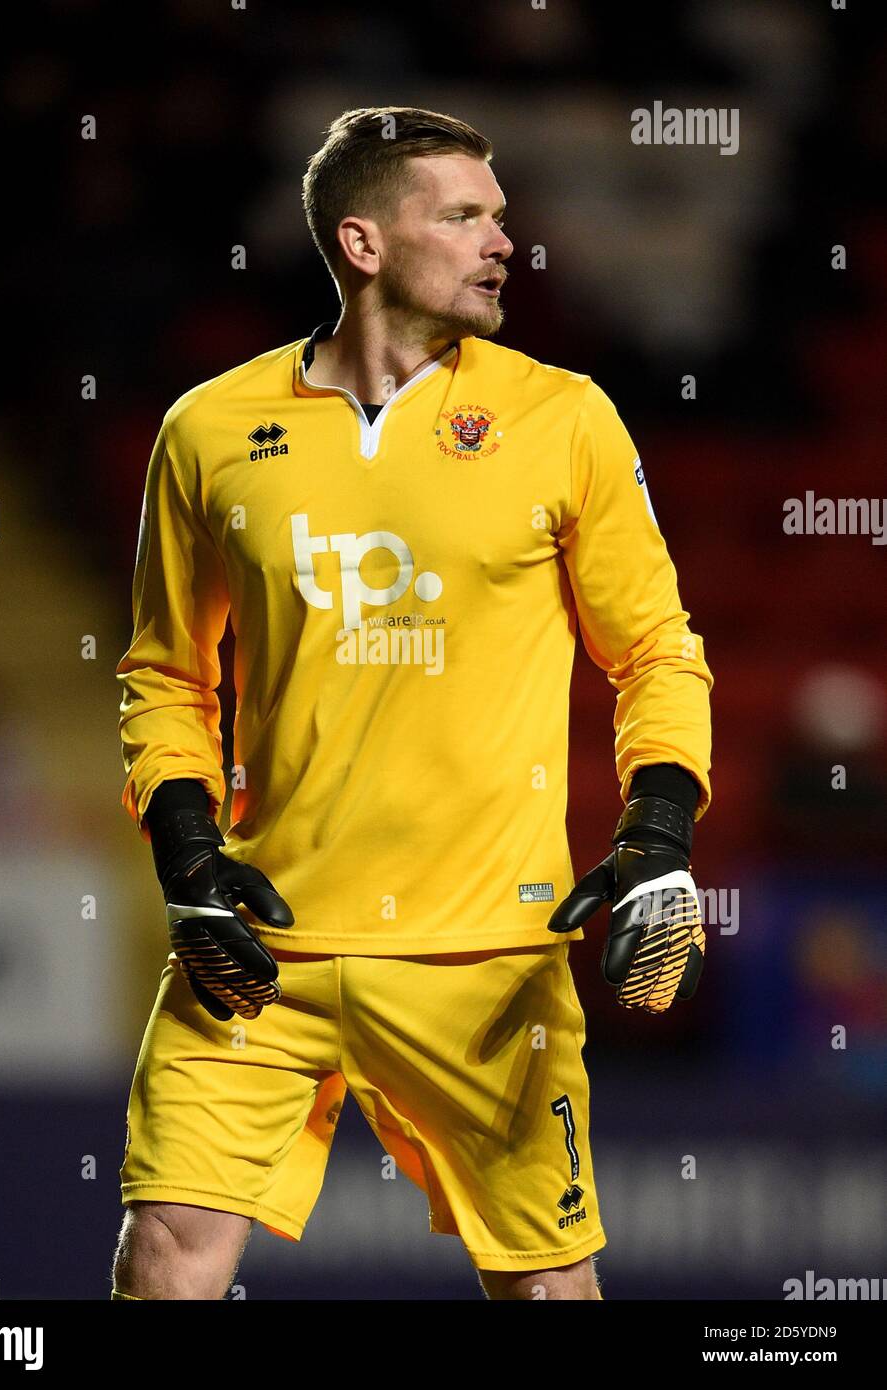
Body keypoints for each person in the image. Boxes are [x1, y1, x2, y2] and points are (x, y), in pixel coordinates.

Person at [111, 106, 713, 1302]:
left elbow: (652, 649)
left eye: (501, 216)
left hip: (486, 954)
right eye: (465, 215)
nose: (504, 243)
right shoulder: (208, 430)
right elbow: (166, 676)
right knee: (164, 1256)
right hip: (261, 944)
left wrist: (656, 830)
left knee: (548, 1287)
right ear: (365, 242)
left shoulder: (564, 417)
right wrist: (187, 854)